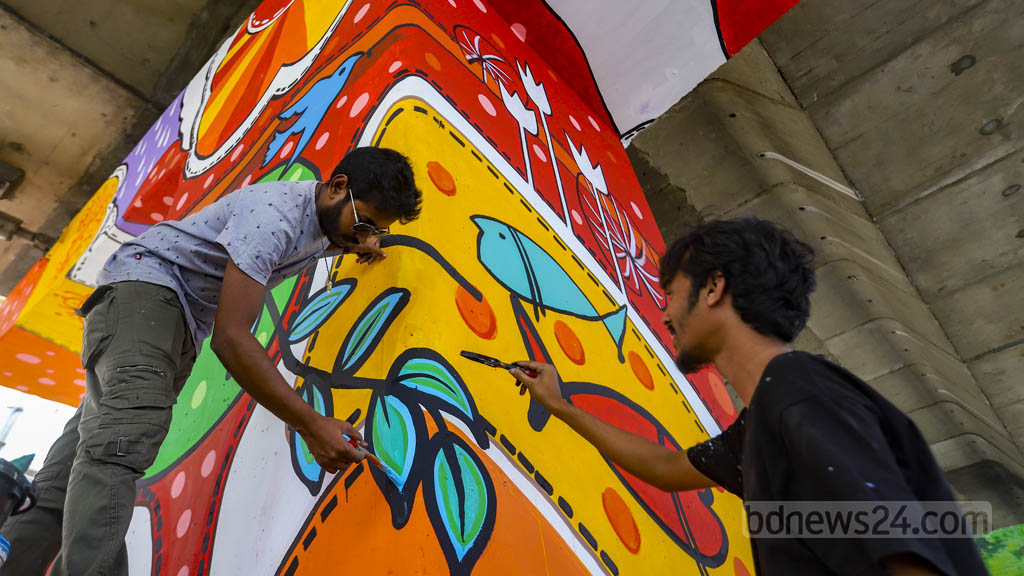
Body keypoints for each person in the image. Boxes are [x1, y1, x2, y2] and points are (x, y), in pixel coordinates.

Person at [1, 146, 423, 575]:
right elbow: (232, 339)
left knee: (74, 470)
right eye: (364, 224)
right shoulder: (272, 215)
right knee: (121, 443)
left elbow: (327, 237)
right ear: (337, 186)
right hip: (149, 300)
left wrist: (361, 240)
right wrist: (311, 425)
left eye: (374, 230)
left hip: (159, 318)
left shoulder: (325, 223)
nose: (362, 236)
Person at [511, 218, 987, 575]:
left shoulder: (800, 390)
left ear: (714, 287)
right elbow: (667, 468)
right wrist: (560, 405)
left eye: (671, 294)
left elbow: (907, 554)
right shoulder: (764, 421)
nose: (666, 315)